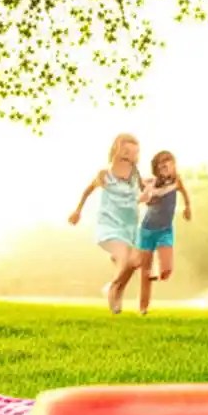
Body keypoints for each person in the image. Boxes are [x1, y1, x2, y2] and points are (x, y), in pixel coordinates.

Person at [68, 133, 146, 314]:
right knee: (126, 257)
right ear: (116, 151)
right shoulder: (105, 174)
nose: (129, 156)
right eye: (125, 151)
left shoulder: (135, 175)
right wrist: (78, 210)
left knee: (136, 261)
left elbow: (143, 193)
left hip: (130, 227)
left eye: (133, 152)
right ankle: (113, 290)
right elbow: (89, 190)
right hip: (110, 225)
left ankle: (115, 287)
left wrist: (147, 196)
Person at [136, 150, 192, 315]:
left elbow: (184, 192)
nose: (165, 164)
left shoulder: (177, 181)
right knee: (144, 271)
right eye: (161, 163)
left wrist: (188, 207)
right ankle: (143, 308)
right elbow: (139, 195)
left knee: (167, 270)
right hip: (147, 230)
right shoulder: (151, 182)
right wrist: (144, 195)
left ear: (173, 165)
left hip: (165, 230)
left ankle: (157, 274)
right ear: (156, 168)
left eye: (168, 161)